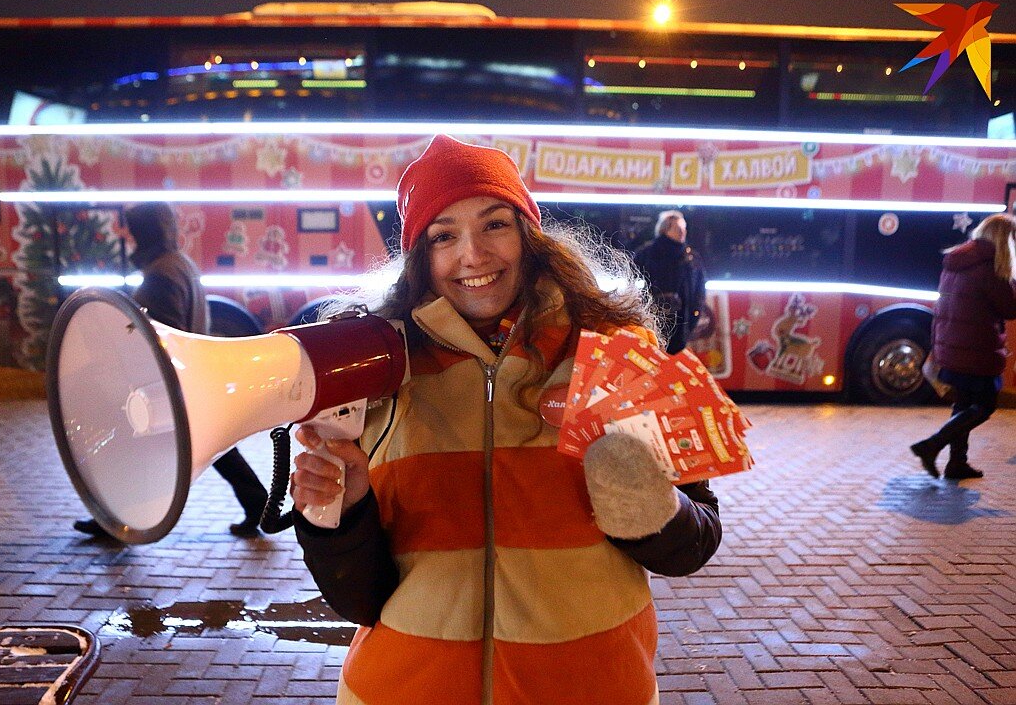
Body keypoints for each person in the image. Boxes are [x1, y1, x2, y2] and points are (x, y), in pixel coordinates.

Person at [288, 135, 722, 704]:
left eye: (495, 224)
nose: (473, 255)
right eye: (444, 236)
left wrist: (649, 511)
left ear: (528, 233)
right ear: (420, 255)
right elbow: (361, 602)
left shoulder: (616, 350)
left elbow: (695, 542)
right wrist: (342, 518)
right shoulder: (375, 370)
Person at [73, 202, 269, 539]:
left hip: (165, 384)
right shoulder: (180, 264)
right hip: (186, 378)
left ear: (146, 233)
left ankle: (115, 518)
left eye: (135, 233)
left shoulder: (160, 274)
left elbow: (161, 335)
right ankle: (257, 504)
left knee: (131, 445)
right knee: (213, 446)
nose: (131, 240)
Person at [911, 213, 1016, 480]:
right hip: (976, 349)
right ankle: (932, 445)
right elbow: (1010, 308)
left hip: (953, 345)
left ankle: (957, 463)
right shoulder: (991, 266)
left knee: (964, 404)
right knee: (984, 407)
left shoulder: (958, 259)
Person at [632, 209, 707, 354]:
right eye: (678, 228)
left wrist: (693, 318)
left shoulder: (691, 257)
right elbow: (633, 283)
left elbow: (699, 290)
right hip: (651, 320)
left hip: (681, 323)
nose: (683, 232)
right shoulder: (646, 253)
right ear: (665, 229)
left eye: (684, 228)